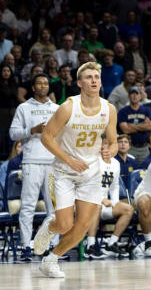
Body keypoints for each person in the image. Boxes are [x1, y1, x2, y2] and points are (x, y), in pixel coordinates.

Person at [33, 62, 118, 278]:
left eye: (96, 77)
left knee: (81, 227)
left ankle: (51, 260)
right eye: (89, 77)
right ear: (79, 83)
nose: (94, 80)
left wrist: (111, 152)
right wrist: (70, 160)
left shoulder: (109, 109)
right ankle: (50, 227)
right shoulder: (68, 107)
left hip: (91, 173)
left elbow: (113, 141)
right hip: (62, 171)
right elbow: (46, 137)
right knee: (64, 224)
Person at [8, 73, 58, 261]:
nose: (43, 85)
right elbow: (13, 134)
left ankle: (50, 246)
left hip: (53, 164)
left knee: (54, 208)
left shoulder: (57, 109)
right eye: (39, 83)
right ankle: (26, 246)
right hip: (31, 162)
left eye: (46, 83)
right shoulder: (24, 107)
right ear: (33, 87)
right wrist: (32, 130)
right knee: (28, 205)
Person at [84, 133, 134, 259]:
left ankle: (111, 243)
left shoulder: (115, 163)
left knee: (128, 209)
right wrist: (101, 199)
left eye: (106, 144)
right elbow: (85, 186)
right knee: (96, 206)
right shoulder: (91, 160)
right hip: (86, 202)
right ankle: (90, 245)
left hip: (104, 203)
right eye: (100, 144)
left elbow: (115, 186)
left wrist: (115, 202)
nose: (103, 147)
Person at [117, 86, 151, 163]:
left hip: (144, 147)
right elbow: (125, 130)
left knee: (145, 171)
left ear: (140, 96)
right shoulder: (123, 111)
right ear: (128, 96)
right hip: (130, 147)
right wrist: (143, 125)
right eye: (132, 94)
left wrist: (130, 125)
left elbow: (149, 127)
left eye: (136, 94)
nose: (134, 96)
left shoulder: (147, 110)